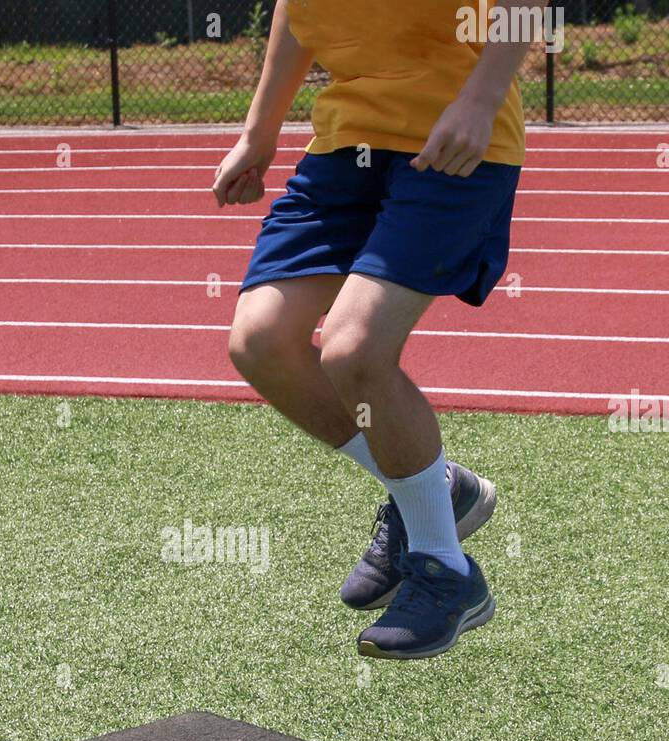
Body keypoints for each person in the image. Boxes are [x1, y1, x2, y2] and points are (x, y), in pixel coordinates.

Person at [214, 0, 535, 659]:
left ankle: (447, 573)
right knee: (261, 340)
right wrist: (260, 131)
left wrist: (482, 98)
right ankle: (434, 488)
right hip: (347, 144)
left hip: (455, 139)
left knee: (354, 348)